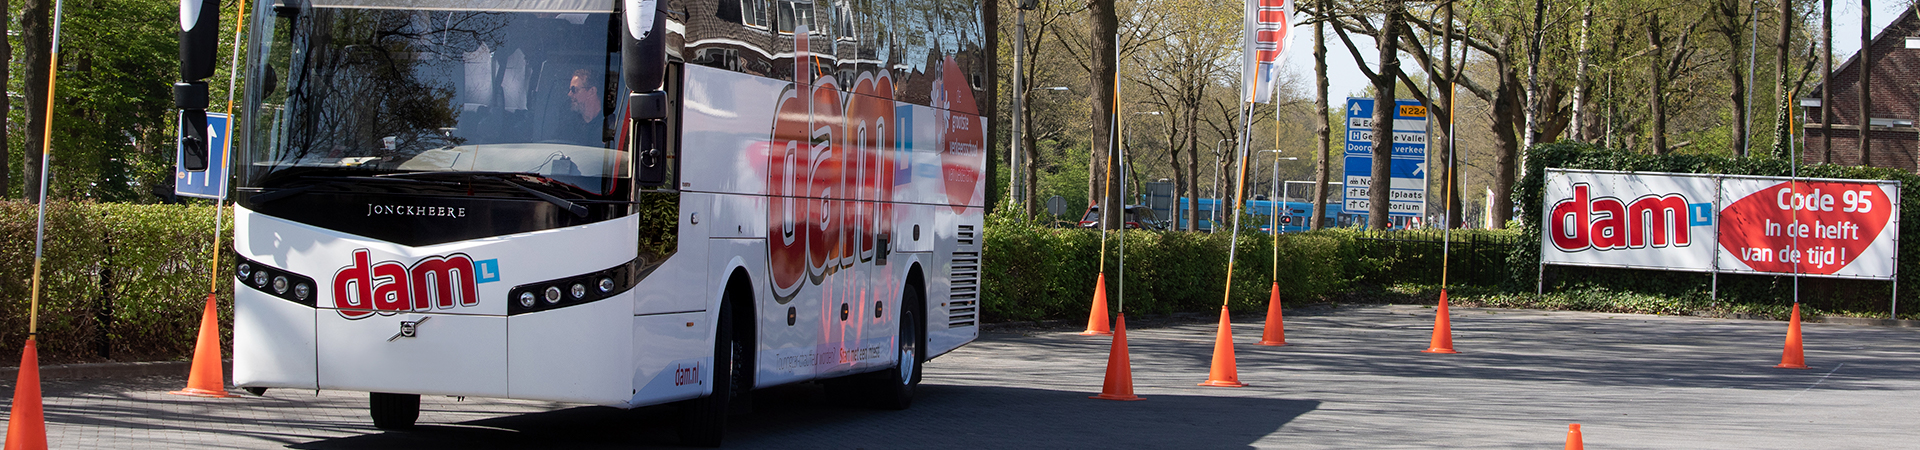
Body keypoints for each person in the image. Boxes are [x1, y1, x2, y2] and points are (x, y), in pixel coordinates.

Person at [558, 68, 605, 144]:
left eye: (574, 89)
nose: (569, 94)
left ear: (592, 91)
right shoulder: (568, 126)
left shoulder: (610, 127)